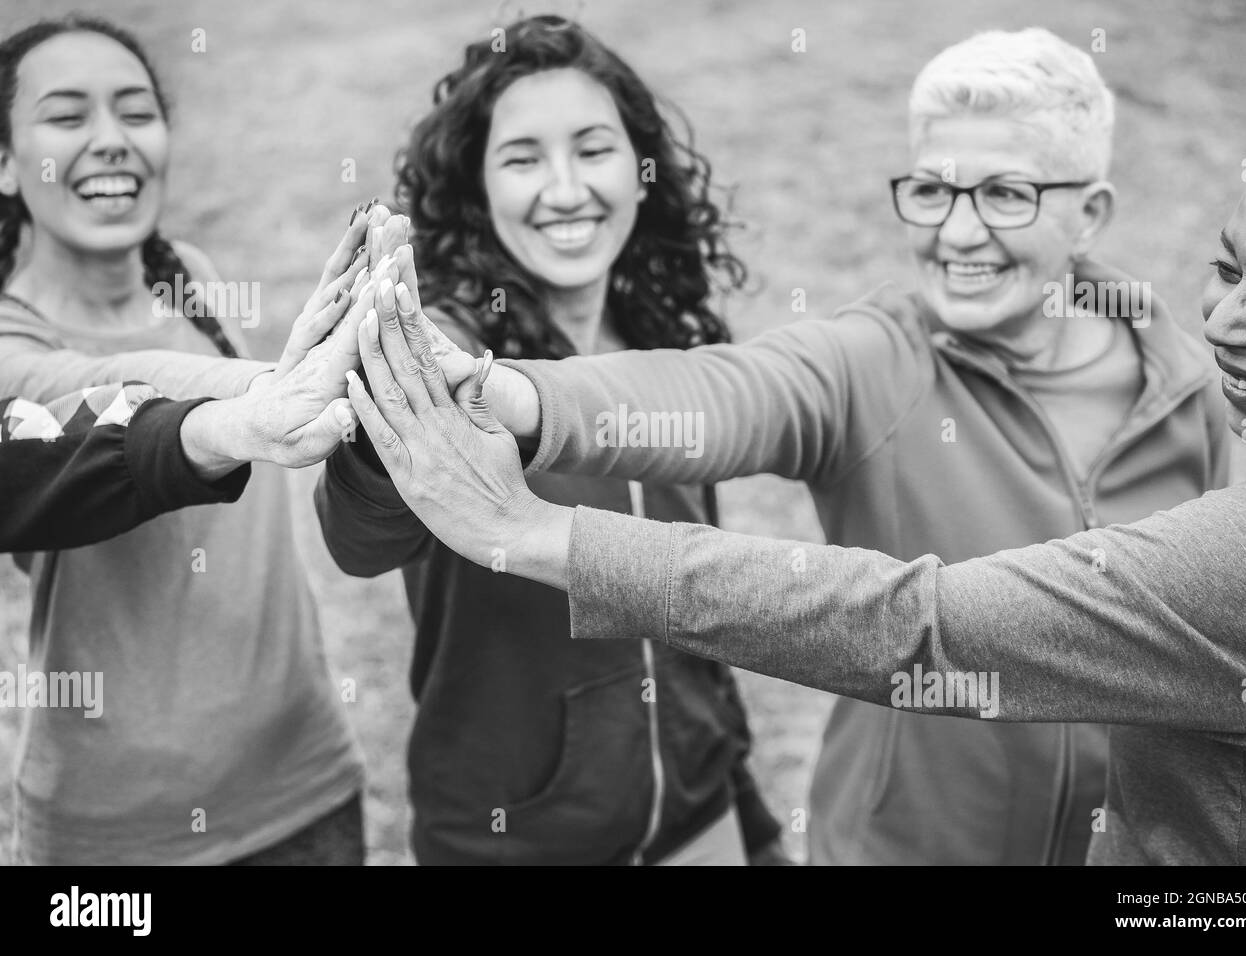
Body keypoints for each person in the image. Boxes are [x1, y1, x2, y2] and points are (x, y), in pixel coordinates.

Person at [350, 27, 1228, 864]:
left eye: (1005, 194)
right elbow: (724, 396)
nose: (958, 232)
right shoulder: (871, 362)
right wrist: (519, 390)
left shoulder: (1197, 394)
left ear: (1091, 213)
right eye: (932, 191)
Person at [315, 15, 785, 866]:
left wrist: (744, 813)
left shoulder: (669, 345)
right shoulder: (451, 354)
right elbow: (357, 540)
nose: (565, 190)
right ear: (477, 186)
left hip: (701, 824)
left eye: (594, 149)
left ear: (642, 173)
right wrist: (383, 423)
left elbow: (693, 614)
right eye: (523, 158)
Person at [0, 15, 391, 864]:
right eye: (67, 117)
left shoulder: (191, 277)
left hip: (306, 784)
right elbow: (95, 393)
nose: (112, 140)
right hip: (118, 837)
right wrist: (260, 392)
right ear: (4, 160)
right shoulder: (10, 345)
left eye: (136, 112)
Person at [1, 319, 361, 552]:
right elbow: (70, 401)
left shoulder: (190, 274)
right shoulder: (12, 325)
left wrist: (269, 387)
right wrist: (252, 399)